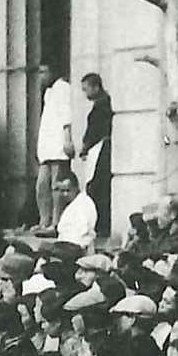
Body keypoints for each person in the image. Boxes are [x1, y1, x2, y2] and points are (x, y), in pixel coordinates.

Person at [33, 65, 76, 230]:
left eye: (44, 72)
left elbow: (66, 116)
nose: (41, 76)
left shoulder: (63, 88)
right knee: (42, 186)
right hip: (46, 149)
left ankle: (56, 222)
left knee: (57, 187)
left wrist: (67, 140)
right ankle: (44, 220)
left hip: (58, 148)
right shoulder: (49, 92)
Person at [78, 72, 114, 238]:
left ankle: (100, 225)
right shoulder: (104, 103)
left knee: (96, 187)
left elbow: (94, 130)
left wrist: (85, 146)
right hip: (100, 147)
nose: (85, 94)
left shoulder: (101, 106)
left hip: (100, 148)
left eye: (87, 89)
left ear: (95, 87)